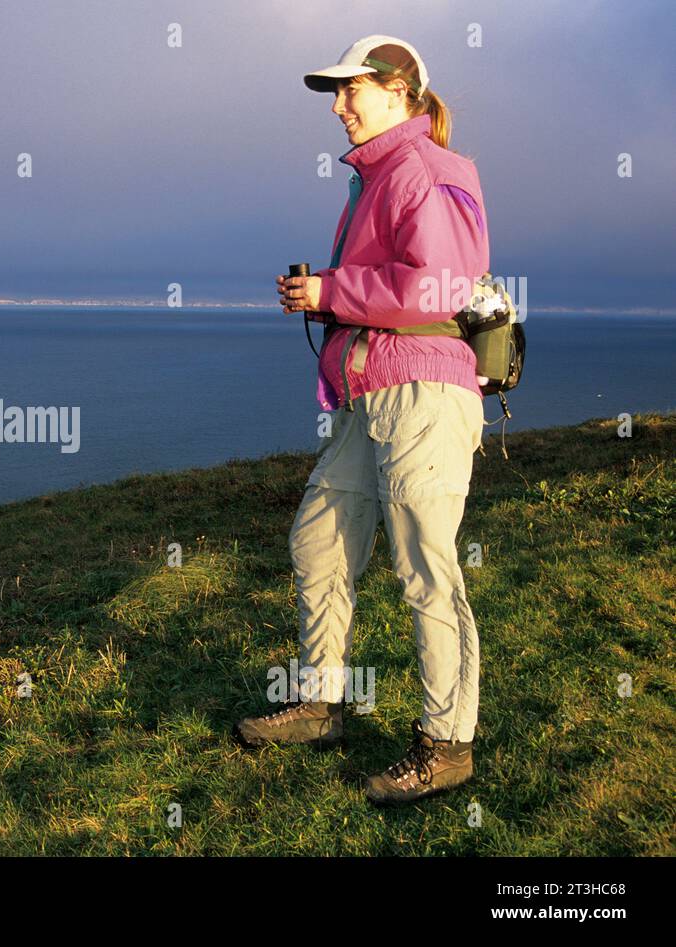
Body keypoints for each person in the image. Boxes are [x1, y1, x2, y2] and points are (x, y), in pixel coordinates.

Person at [233, 36, 489, 805]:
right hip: (372, 394)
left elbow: (441, 286)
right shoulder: (379, 178)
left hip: (422, 394)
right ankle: (322, 704)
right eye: (336, 95)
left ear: (399, 92)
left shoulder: (423, 169)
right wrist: (327, 293)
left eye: (352, 91)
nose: (340, 107)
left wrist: (332, 291)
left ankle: (446, 746)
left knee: (425, 573)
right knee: (317, 536)